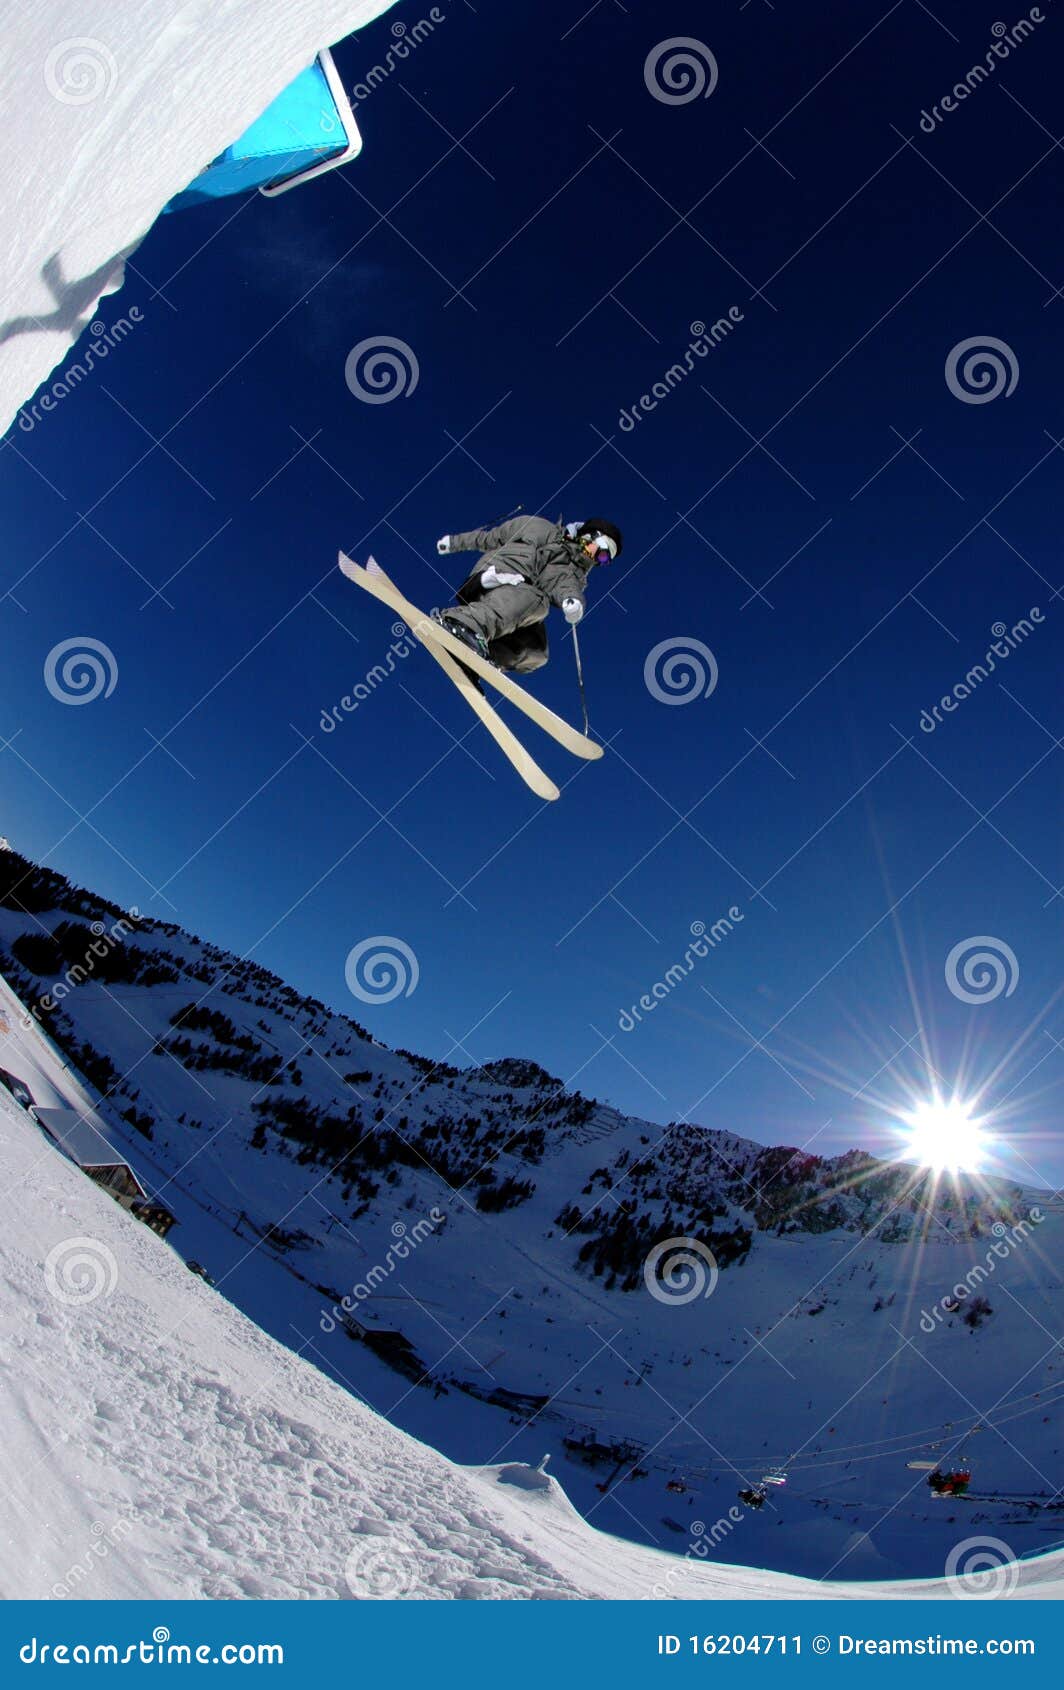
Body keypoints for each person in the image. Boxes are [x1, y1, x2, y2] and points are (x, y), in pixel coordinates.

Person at [434, 514, 624, 676]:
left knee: (537, 651)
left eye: (605, 562)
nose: (599, 562)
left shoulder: (571, 570)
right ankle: (461, 623)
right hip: (492, 576)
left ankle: (480, 654)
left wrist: (571, 600)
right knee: (539, 601)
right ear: (592, 537)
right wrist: (453, 543)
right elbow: (490, 538)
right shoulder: (536, 525)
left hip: (516, 600)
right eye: (603, 555)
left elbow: (564, 585)